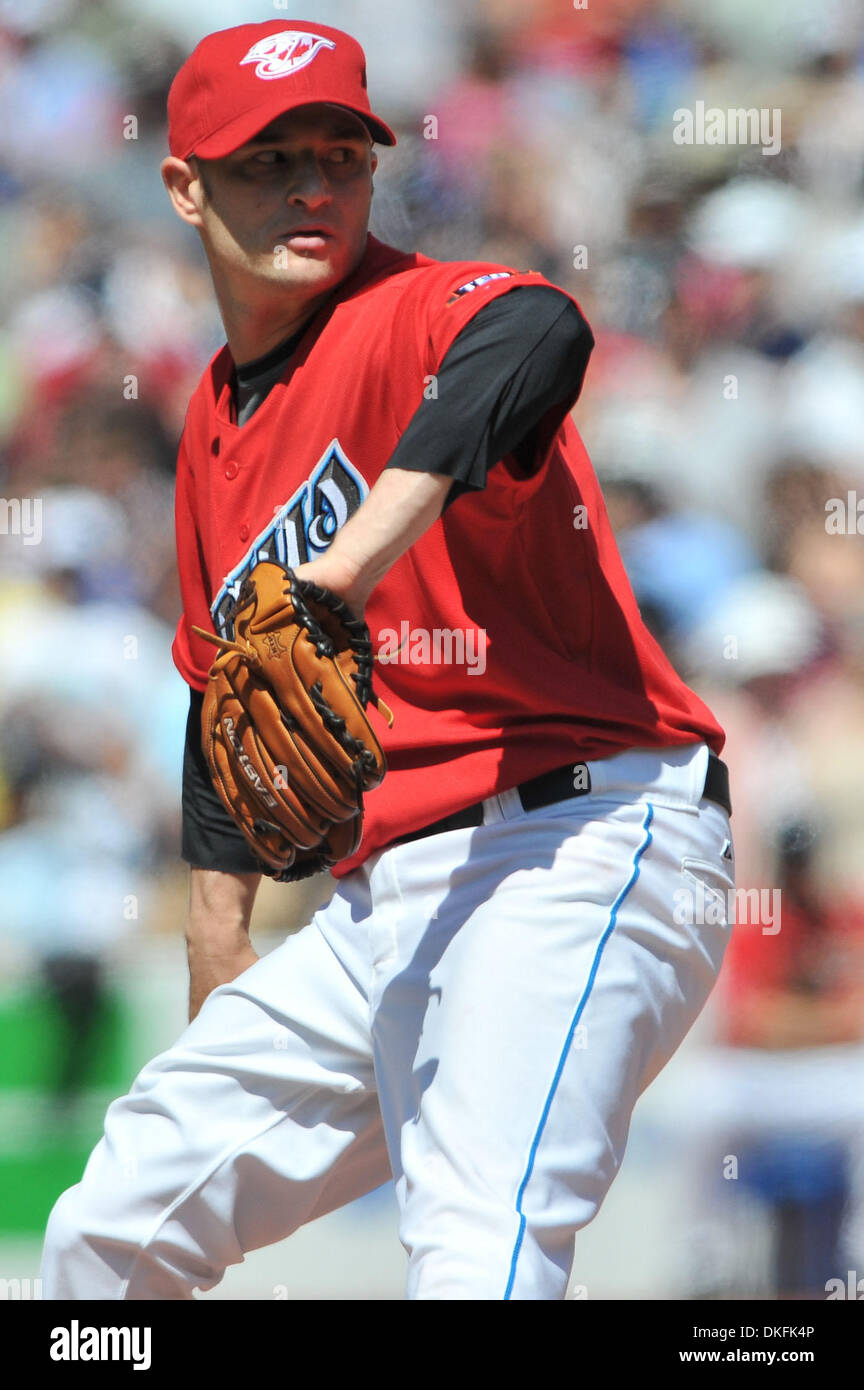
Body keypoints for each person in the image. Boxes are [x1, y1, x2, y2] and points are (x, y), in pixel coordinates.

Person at [41, 19, 736, 1301]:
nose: (312, 188)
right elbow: (227, 691)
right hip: (384, 902)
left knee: (479, 1248)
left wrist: (343, 567)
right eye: (268, 162)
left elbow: (540, 335)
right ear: (183, 184)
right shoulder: (208, 423)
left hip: (579, 838)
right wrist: (219, 940)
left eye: (338, 155)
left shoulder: (418, 312)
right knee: (111, 1237)